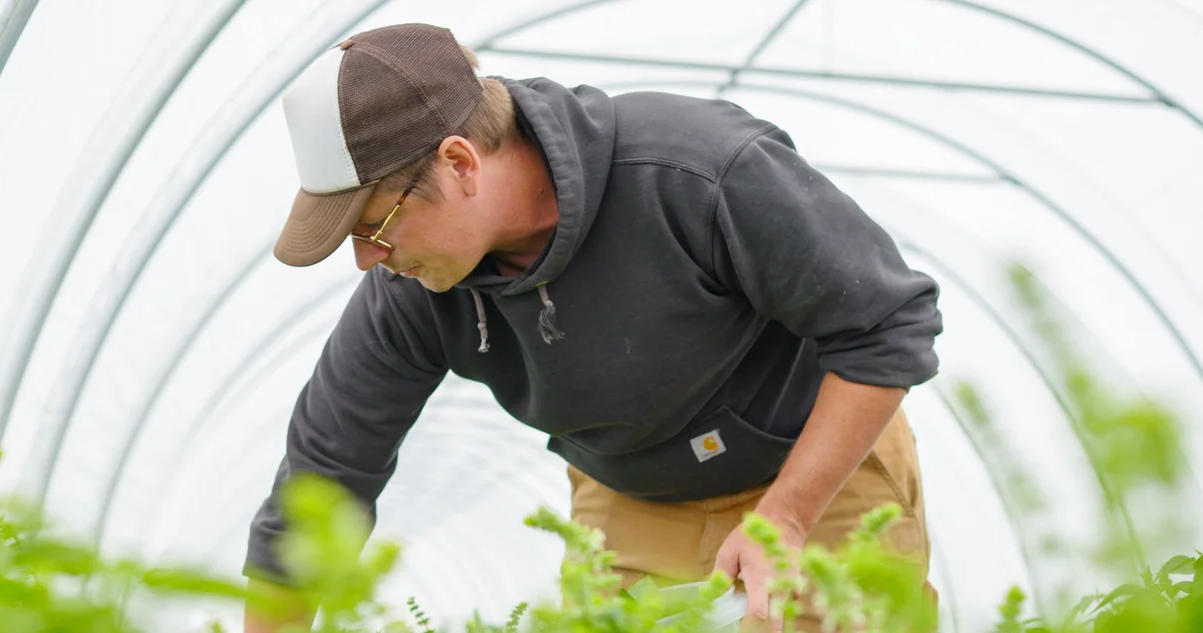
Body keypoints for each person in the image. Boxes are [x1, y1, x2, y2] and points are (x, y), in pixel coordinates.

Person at [243, 22, 943, 633]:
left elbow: (887, 323)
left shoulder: (694, 171)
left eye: (375, 226)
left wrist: (785, 517)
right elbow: (322, 486)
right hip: (632, 497)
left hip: (816, 473)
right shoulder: (410, 291)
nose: (368, 260)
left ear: (459, 164)